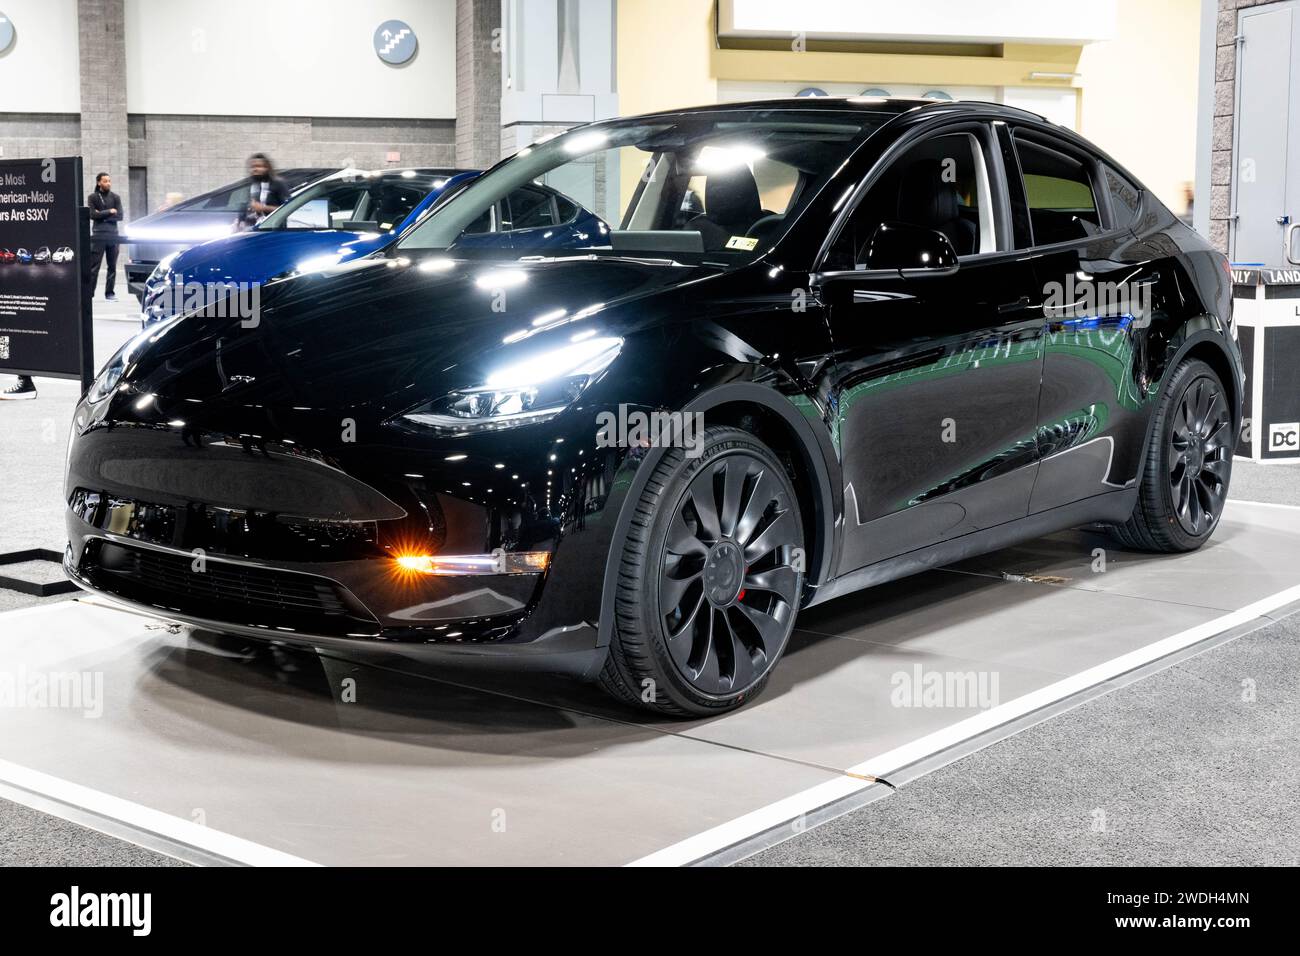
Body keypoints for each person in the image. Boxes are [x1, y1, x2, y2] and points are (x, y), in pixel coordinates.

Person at [87, 172, 123, 301]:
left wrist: (101, 215)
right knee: (94, 267)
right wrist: (109, 212)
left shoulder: (116, 197)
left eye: (109, 181)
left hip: (113, 236)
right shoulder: (92, 197)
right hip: (98, 236)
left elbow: (120, 216)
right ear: (99, 183)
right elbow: (91, 215)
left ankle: (110, 293)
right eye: (105, 181)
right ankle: (89, 293)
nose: (108, 183)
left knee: (112, 266)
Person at [239, 153, 289, 228]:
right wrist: (239, 220)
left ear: (267, 168)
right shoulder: (250, 184)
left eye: (259, 166)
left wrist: (263, 208)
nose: (255, 169)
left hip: (272, 229)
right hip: (251, 228)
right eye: (252, 167)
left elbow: (287, 208)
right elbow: (244, 206)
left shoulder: (277, 184)